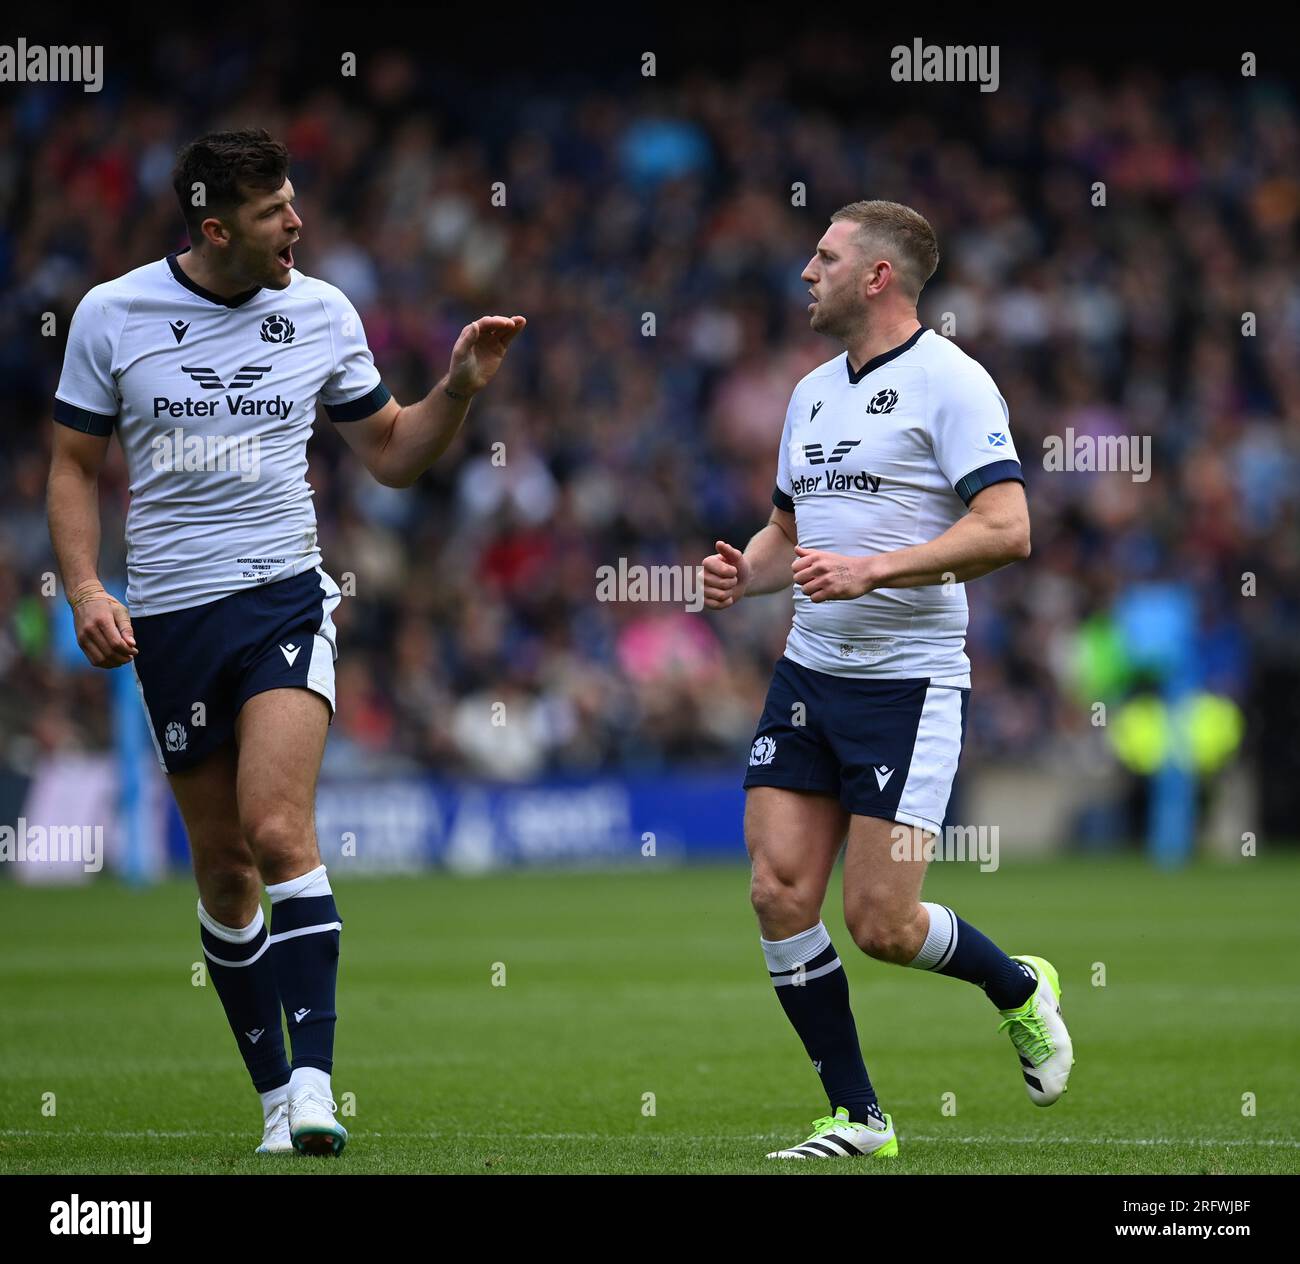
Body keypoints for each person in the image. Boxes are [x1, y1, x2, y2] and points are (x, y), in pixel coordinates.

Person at [46, 128, 524, 1156]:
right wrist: (86, 585)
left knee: (274, 828)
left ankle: (315, 1084)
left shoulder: (320, 311)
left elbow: (392, 452)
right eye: (273, 215)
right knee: (223, 873)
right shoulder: (111, 315)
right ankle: (272, 1097)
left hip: (280, 601)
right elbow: (73, 466)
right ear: (216, 228)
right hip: (169, 618)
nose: (297, 225)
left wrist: (461, 390)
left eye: (295, 203)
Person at [701, 200, 1072, 1161]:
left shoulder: (954, 383)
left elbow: (1007, 529)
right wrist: (747, 573)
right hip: (808, 673)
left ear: (878, 276)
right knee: (779, 891)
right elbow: (788, 536)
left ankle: (1018, 988)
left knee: (881, 923)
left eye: (824, 256)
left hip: (909, 687)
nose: (804, 271)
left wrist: (876, 568)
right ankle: (858, 1115)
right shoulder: (812, 391)